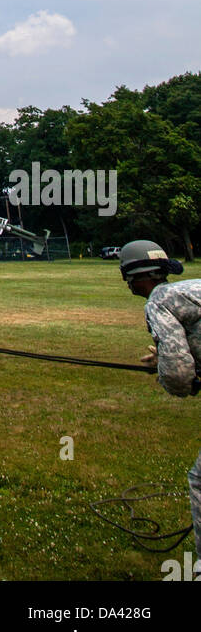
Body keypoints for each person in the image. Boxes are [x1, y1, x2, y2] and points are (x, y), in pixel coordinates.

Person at [120, 239, 201, 558]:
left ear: (138, 276)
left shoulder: (159, 299)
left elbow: (179, 377)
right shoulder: (189, 291)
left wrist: (171, 372)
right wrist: (167, 357)